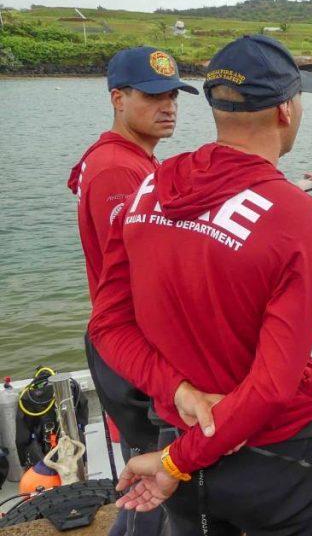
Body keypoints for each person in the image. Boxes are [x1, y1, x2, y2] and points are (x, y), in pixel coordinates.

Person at [88, 35, 312, 535]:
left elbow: (109, 324)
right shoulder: (300, 219)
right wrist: (177, 461)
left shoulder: (148, 188)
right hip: (276, 460)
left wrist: (177, 392)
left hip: (181, 441)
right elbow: (271, 387)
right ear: (286, 111)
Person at [67, 46, 198, 535]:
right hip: (134, 343)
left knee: (142, 474)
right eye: (153, 96)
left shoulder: (112, 157)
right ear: (118, 98)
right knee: (159, 476)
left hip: (117, 339)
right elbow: (146, 272)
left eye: (173, 96)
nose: (168, 107)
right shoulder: (122, 171)